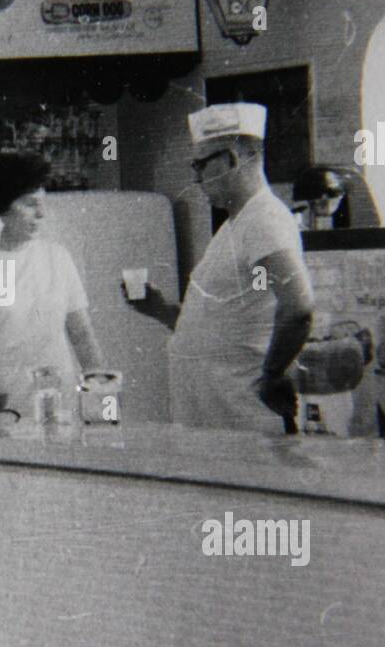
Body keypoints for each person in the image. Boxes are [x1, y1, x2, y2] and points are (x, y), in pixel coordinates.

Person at [126, 103, 315, 434]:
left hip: (240, 411)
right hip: (213, 411)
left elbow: (298, 307)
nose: (195, 178)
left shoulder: (264, 220)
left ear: (232, 159)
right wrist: (163, 311)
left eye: (200, 165)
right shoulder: (236, 223)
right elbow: (226, 322)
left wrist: (272, 375)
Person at [0, 154, 105, 414]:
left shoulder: (56, 257)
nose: (42, 214)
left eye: (43, 203)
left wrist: (102, 398)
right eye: (31, 204)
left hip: (58, 403)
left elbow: (83, 336)